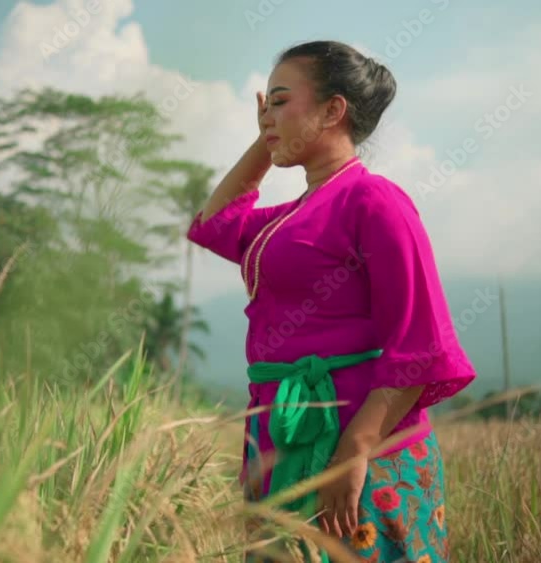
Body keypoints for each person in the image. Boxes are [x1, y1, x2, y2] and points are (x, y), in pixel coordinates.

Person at [185, 40, 477, 562]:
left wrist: (355, 451)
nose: (267, 117)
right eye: (265, 108)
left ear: (331, 110)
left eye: (279, 101)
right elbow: (214, 225)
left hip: (365, 451)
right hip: (281, 441)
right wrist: (267, 141)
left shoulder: (376, 201)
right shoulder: (286, 218)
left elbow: (420, 346)